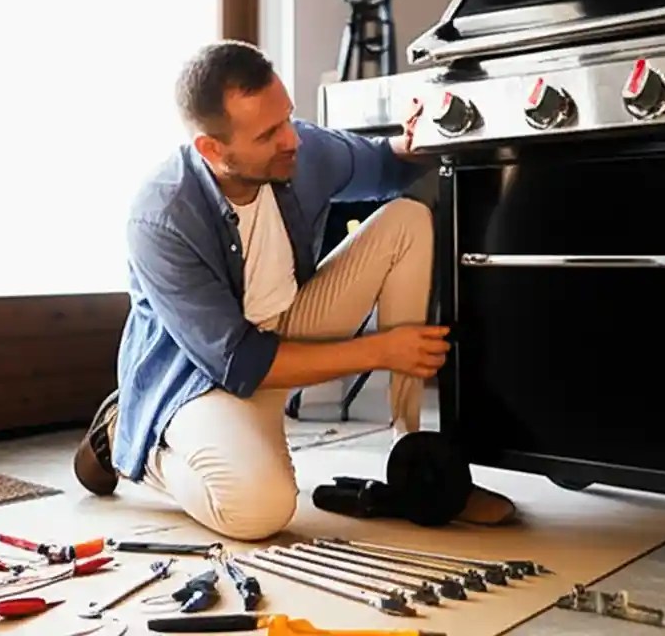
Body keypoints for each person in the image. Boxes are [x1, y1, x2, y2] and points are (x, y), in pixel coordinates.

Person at [72, 40, 516, 541]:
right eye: (268, 134)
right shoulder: (161, 217)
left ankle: (410, 459)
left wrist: (415, 140)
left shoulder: (298, 150)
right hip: (201, 377)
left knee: (408, 220)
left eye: (288, 117)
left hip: (285, 325)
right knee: (261, 510)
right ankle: (131, 438)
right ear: (212, 149)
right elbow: (240, 363)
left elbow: (382, 164)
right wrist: (381, 349)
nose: (291, 140)